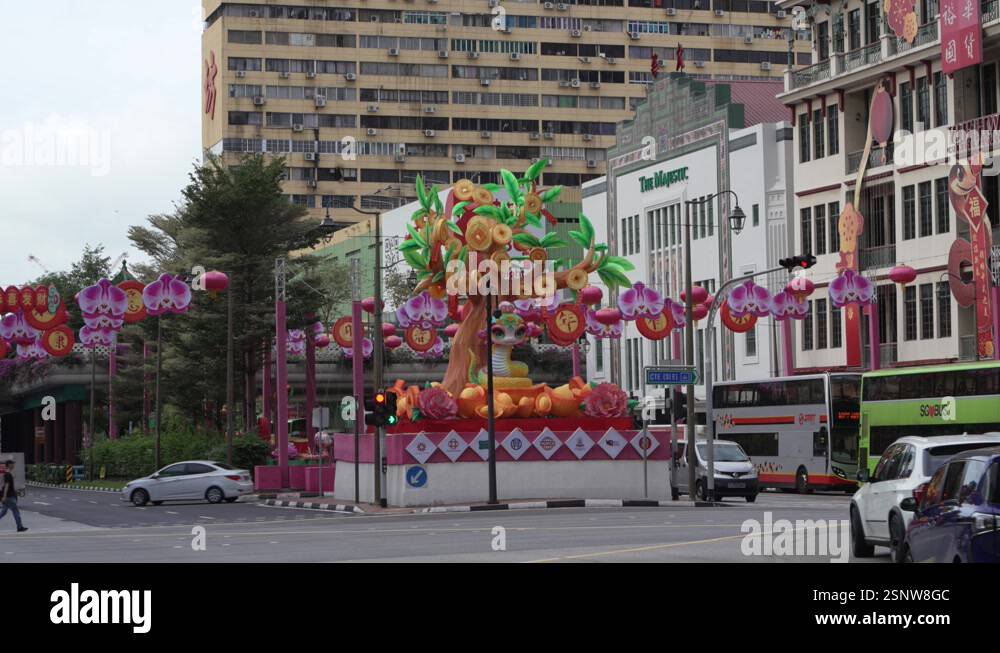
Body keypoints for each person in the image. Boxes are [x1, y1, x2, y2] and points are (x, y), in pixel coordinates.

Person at [0, 459, 27, 533]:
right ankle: (20, 527)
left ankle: (20, 527)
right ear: (9, 465)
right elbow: (6, 486)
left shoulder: (8, 474)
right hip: (9, 497)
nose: (14, 465)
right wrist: (4, 496)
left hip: (9, 495)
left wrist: (16, 491)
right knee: (16, 512)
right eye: (13, 464)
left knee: (3, 511)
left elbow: (9, 486)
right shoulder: (8, 474)